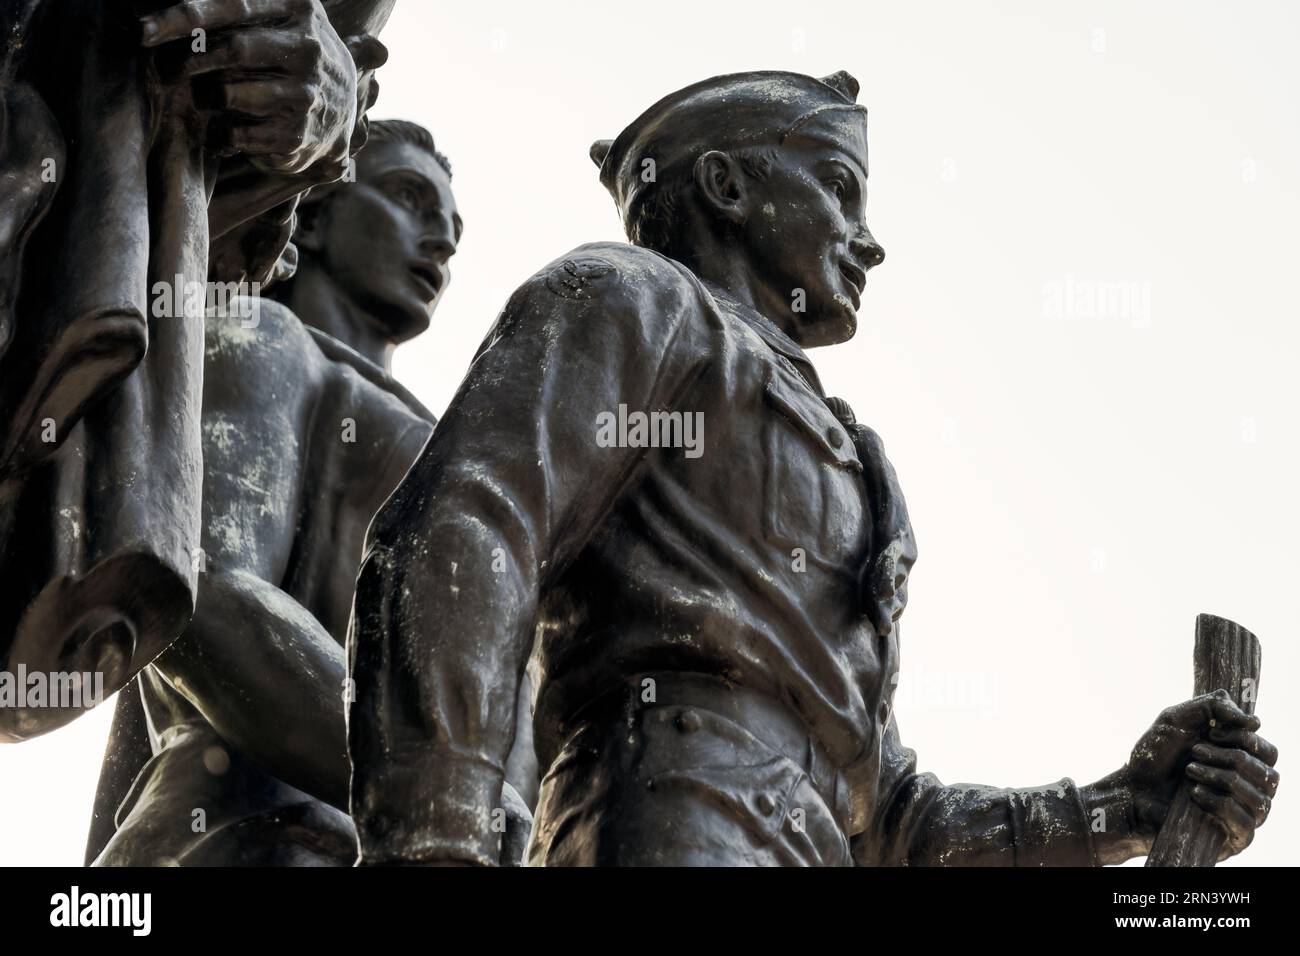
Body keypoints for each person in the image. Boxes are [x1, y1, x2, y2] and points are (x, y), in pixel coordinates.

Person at [346, 70, 1278, 866]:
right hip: (669, 821)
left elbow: (894, 818)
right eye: (839, 187)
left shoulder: (850, 449)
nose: (868, 239)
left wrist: (1125, 804)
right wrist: (439, 834)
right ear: (725, 184)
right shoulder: (636, 300)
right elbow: (470, 528)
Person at [92, 120, 533, 866]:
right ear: (318, 216)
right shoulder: (258, 336)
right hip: (260, 837)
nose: (443, 242)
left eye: (452, 225)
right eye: (407, 197)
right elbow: (201, 590)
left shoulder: (464, 446)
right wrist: (433, 782)